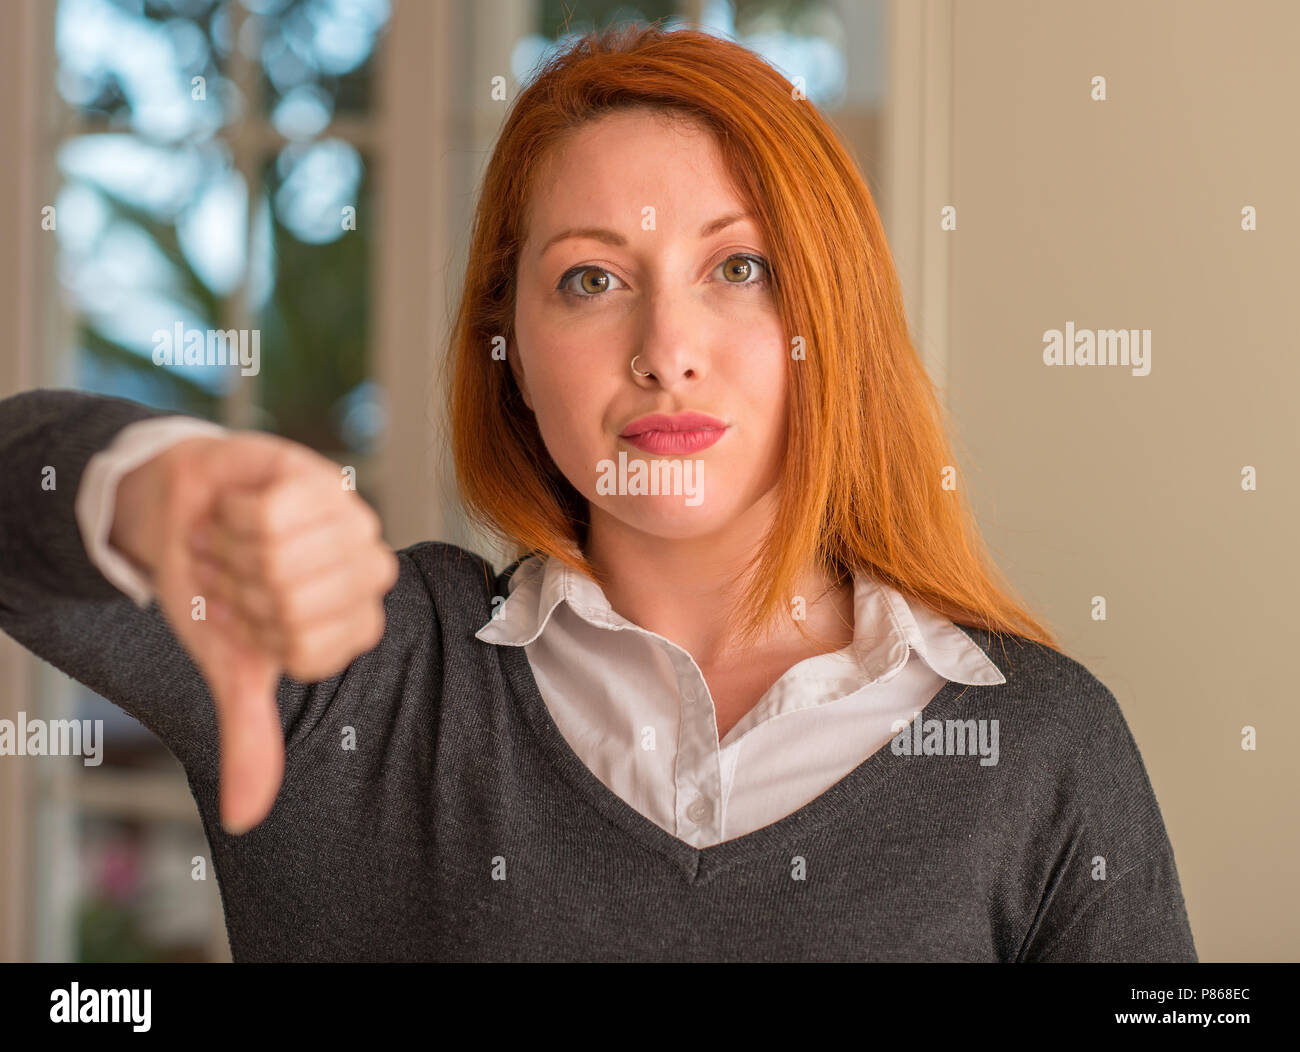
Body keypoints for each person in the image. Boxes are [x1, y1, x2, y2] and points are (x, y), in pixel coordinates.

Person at [0, 23, 1195, 961]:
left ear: (828, 325)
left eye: (740, 267)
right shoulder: (354, 667)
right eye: (588, 278)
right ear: (505, 350)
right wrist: (138, 482)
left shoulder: (1041, 744)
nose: (666, 345)